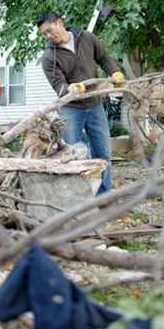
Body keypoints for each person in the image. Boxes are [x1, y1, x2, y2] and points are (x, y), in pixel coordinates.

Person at [36, 11, 125, 194]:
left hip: (95, 105)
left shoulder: (87, 38)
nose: (48, 36)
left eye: (49, 30)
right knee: (70, 155)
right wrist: (70, 89)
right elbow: (58, 85)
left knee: (103, 153)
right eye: (44, 34)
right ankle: (76, 196)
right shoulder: (49, 57)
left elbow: (104, 59)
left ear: (59, 22)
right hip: (71, 110)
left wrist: (115, 72)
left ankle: (103, 194)